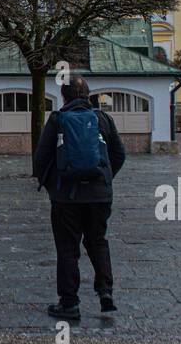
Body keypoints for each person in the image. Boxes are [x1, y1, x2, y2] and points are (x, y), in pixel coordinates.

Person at [34, 75, 126, 321]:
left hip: (67, 197)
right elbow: (119, 154)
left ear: (64, 96)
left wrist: (53, 184)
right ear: (88, 95)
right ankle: (105, 293)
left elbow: (41, 158)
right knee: (98, 242)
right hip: (100, 196)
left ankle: (69, 303)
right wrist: (105, 178)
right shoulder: (103, 119)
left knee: (67, 249)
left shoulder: (57, 120)